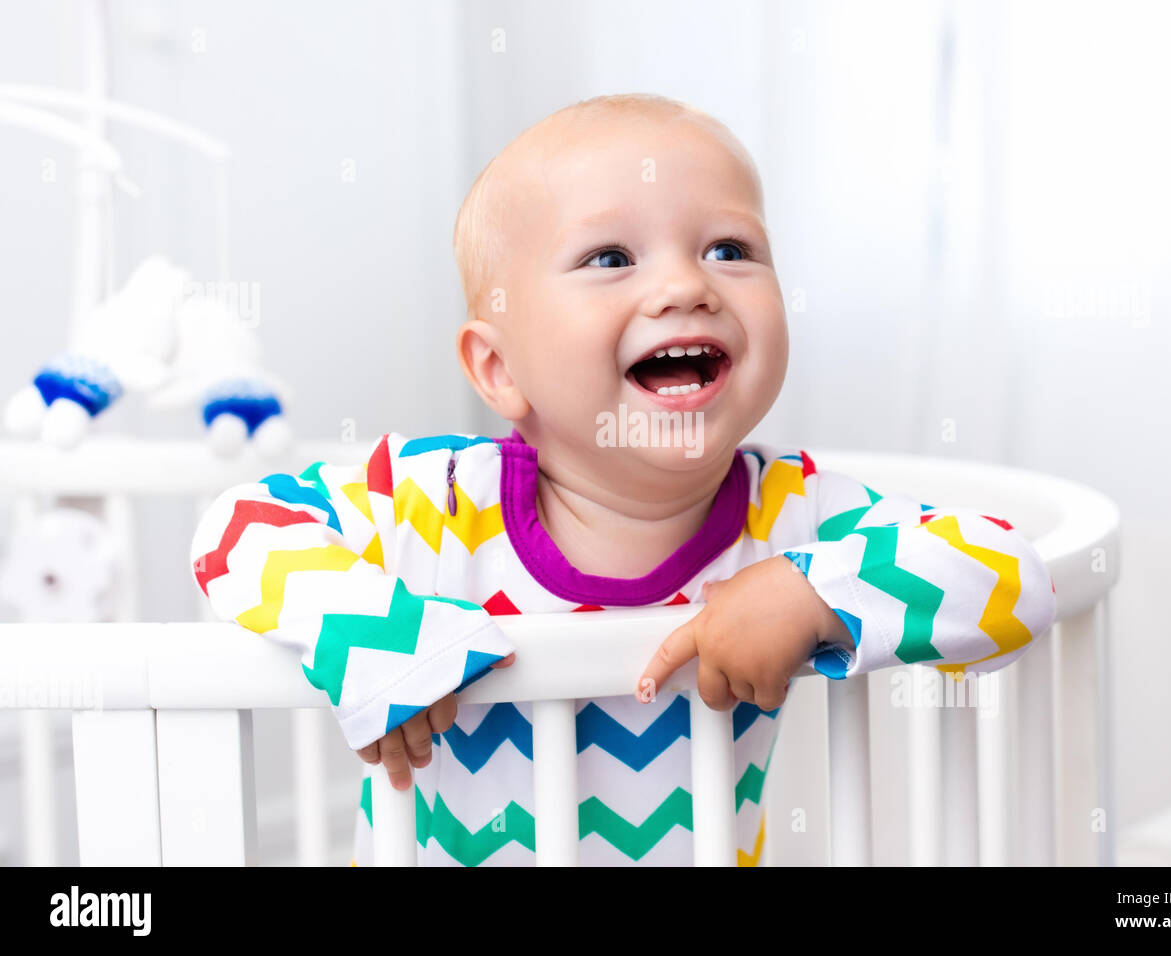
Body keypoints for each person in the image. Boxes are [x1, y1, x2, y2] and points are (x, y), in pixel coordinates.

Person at [189, 93, 1056, 866]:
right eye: (610, 258)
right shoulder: (435, 506)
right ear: (498, 369)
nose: (686, 283)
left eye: (729, 247)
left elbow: (1010, 571)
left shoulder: (793, 518)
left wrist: (813, 592)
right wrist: (371, 637)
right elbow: (239, 529)